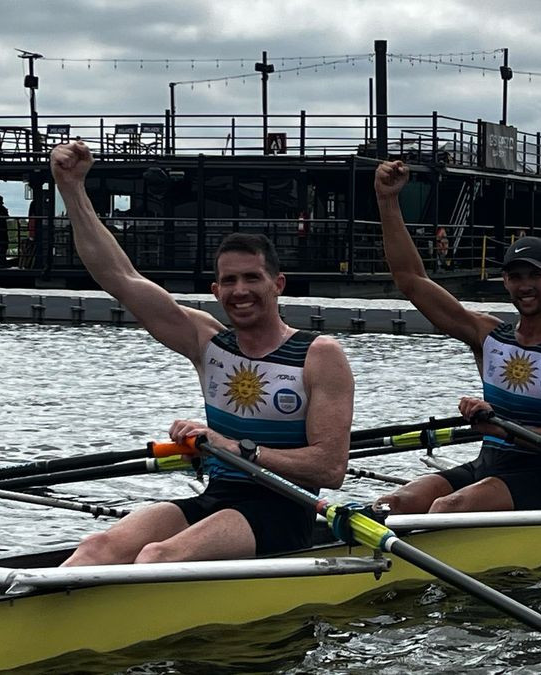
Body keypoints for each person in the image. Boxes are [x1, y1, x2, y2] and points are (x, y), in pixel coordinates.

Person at [50, 141, 353, 565]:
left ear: (278, 284)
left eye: (252, 278)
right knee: (96, 548)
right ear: (216, 290)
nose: (240, 291)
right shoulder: (207, 343)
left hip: (282, 510)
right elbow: (119, 277)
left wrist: (234, 447)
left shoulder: (319, 354)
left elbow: (329, 468)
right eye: (229, 281)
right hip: (218, 498)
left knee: (157, 556)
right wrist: (72, 189)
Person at [372, 159, 541, 513]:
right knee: (392, 503)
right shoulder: (487, 334)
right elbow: (410, 280)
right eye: (515, 277)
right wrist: (387, 201)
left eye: (534, 275)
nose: (525, 286)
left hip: (535, 478)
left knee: (445, 510)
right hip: (487, 465)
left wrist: (506, 429)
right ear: (506, 281)